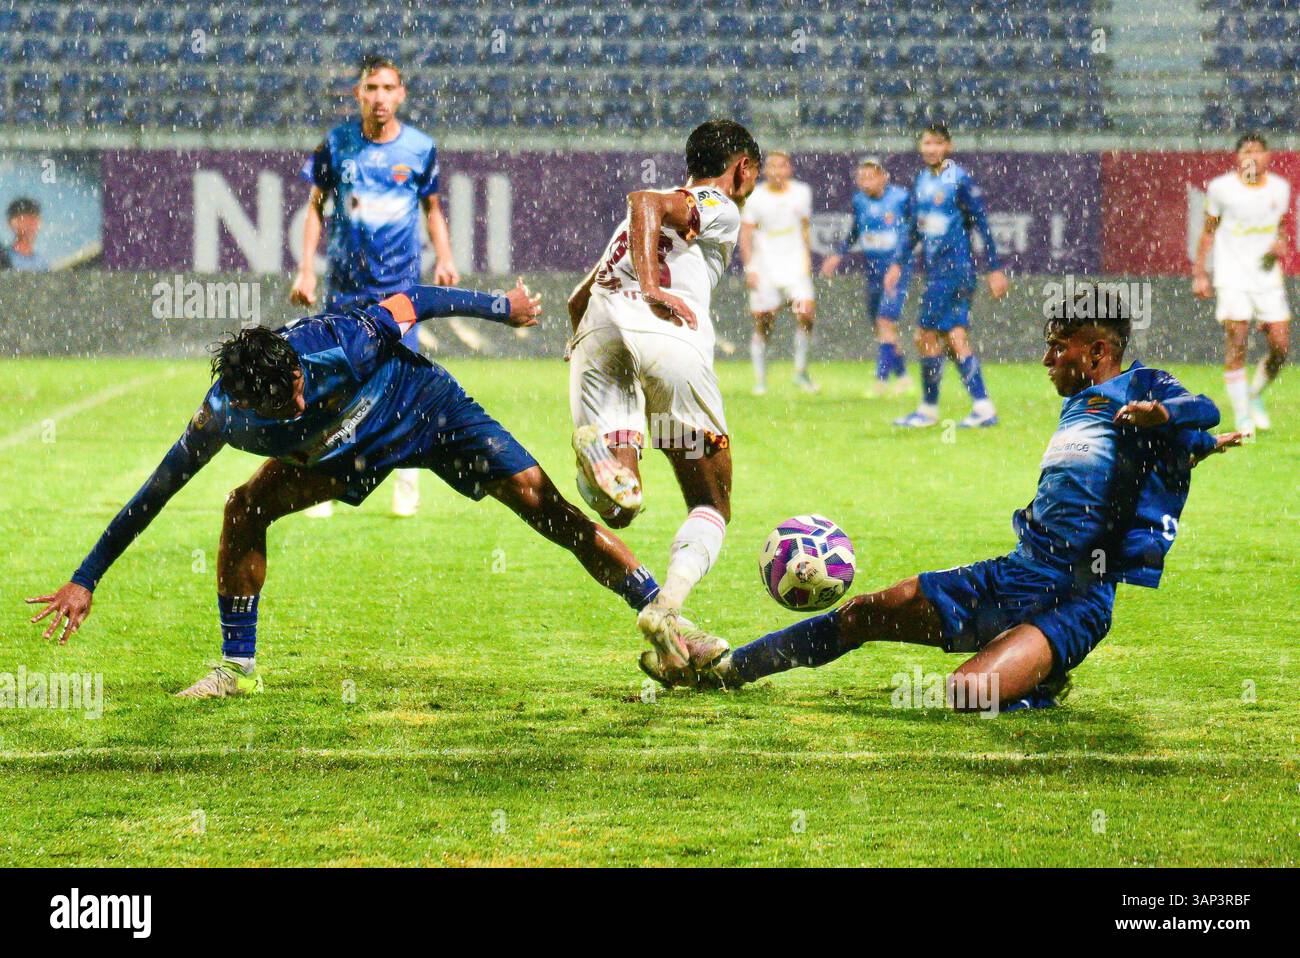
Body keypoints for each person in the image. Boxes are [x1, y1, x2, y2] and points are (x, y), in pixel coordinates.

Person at [27, 282, 668, 699]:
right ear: (249, 405)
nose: (301, 397)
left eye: (300, 385)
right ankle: (237, 669)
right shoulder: (220, 418)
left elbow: (413, 301)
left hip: (421, 408)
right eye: (286, 403)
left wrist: (502, 309)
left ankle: (665, 613)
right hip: (339, 458)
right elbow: (154, 493)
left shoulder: (339, 342)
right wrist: (86, 577)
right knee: (243, 506)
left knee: (544, 506)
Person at [642, 286, 1241, 712]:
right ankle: (727, 668)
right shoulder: (1083, 405)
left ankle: (1042, 674)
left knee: (965, 695)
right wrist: (1193, 445)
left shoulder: (1139, 386)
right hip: (1017, 574)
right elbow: (1149, 458)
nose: (1045, 358)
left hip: (1078, 598)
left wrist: (1171, 416)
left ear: (1096, 349)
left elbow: (1203, 408)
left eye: (1059, 346)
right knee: (862, 614)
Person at [565, 119, 761, 681]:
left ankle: (599, 460)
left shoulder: (622, 236)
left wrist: (580, 350)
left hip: (598, 333)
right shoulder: (719, 202)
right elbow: (646, 198)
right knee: (712, 501)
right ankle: (667, 605)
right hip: (666, 339)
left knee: (619, 507)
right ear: (741, 166)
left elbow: (579, 298)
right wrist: (654, 286)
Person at [291, 54, 460, 517]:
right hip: (346, 288)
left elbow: (431, 209)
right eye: (372, 88)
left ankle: (406, 484)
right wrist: (306, 268)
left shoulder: (420, 149)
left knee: (403, 381)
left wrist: (444, 258)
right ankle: (317, 484)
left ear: (401, 94)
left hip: (399, 289)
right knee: (330, 382)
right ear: (358, 93)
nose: (380, 97)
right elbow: (315, 207)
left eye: (388, 88)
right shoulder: (337, 144)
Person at [887, 125, 1008, 428]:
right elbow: (916, 225)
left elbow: (981, 222)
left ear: (948, 147)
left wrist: (994, 267)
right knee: (954, 337)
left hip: (953, 271)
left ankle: (928, 410)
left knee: (925, 336)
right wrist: (899, 262)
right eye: (926, 142)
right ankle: (983, 407)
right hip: (942, 272)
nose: (930, 149)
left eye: (936, 143)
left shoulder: (959, 179)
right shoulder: (921, 180)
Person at [1192, 132, 1291, 437]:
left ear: (1268, 157)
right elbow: (1208, 232)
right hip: (1232, 276)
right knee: (1237, 342)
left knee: (1280, 347)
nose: (1252, 157)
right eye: (1246, 152)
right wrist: (1200, 273)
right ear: (1237, 158)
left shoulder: (1279, 188)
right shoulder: (1222, 189)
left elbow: (1282, 229)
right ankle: (1243, 417)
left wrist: (1280, 244)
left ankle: (1254, 393)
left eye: (1257, 152)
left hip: (1267, 278)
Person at [820, 157, 914, 398]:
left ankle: (881, 381)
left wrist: (898, 263)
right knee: (882, 327)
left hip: (896, 271)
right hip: (873, 272)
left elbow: (910, 233)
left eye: (870, 176)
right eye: (861, 177)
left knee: (885, 321)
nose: (865, 182)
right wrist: (838, 254)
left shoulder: (901, 199)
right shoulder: (859, 201)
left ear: (883, 176)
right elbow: (855, 231)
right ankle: (903, 377)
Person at [739, 151, 818, 394]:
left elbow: (805, 228)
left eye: (782, 166)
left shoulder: (802, 192)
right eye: (772, 166)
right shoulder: (754, 197)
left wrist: (808, 257)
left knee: (805, 312)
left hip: (795, 264)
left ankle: (801, 372)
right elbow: (746, 235)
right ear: (764, 170)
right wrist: (750, 268)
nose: (777, 171)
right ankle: (761, 380)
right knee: (765, 320)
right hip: (765, 266)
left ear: (789, 169)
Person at [5, 197, 50, 272]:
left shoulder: (42, 264)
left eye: (33, 219)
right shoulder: (3, 258)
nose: (30, 224)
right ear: (11, 223)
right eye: (24, 219)